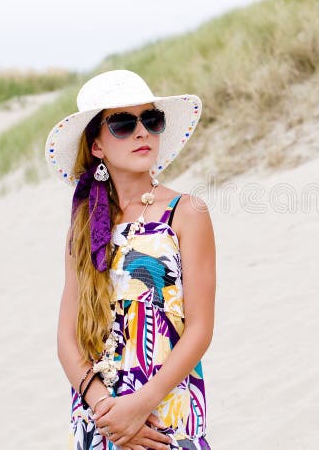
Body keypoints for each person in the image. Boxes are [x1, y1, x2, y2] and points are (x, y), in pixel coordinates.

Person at [45, 69, 216, 449]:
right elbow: (67, 339)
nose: (142, 133)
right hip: (100, 418)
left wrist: (140, 405)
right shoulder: (83, 227)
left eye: (151, 120)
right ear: (97, 146)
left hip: (164, 411)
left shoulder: (186, 212)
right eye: (123, 124)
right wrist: (106, 410)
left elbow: (200, 329)